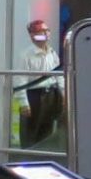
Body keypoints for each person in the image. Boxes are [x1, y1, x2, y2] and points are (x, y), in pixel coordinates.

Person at [18, 18, 63, 147]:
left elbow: (58, 75)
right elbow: (20, 79)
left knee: (47, 130)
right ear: (32, 35)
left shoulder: (52, 53)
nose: (45, 34)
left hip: (51, 95)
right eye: (41, 31)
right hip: (34, 96)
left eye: (47, 30)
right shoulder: (26, 55)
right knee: (31, 131)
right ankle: (27, 159)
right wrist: (23, 103)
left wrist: (64, 93)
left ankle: (42, 158)